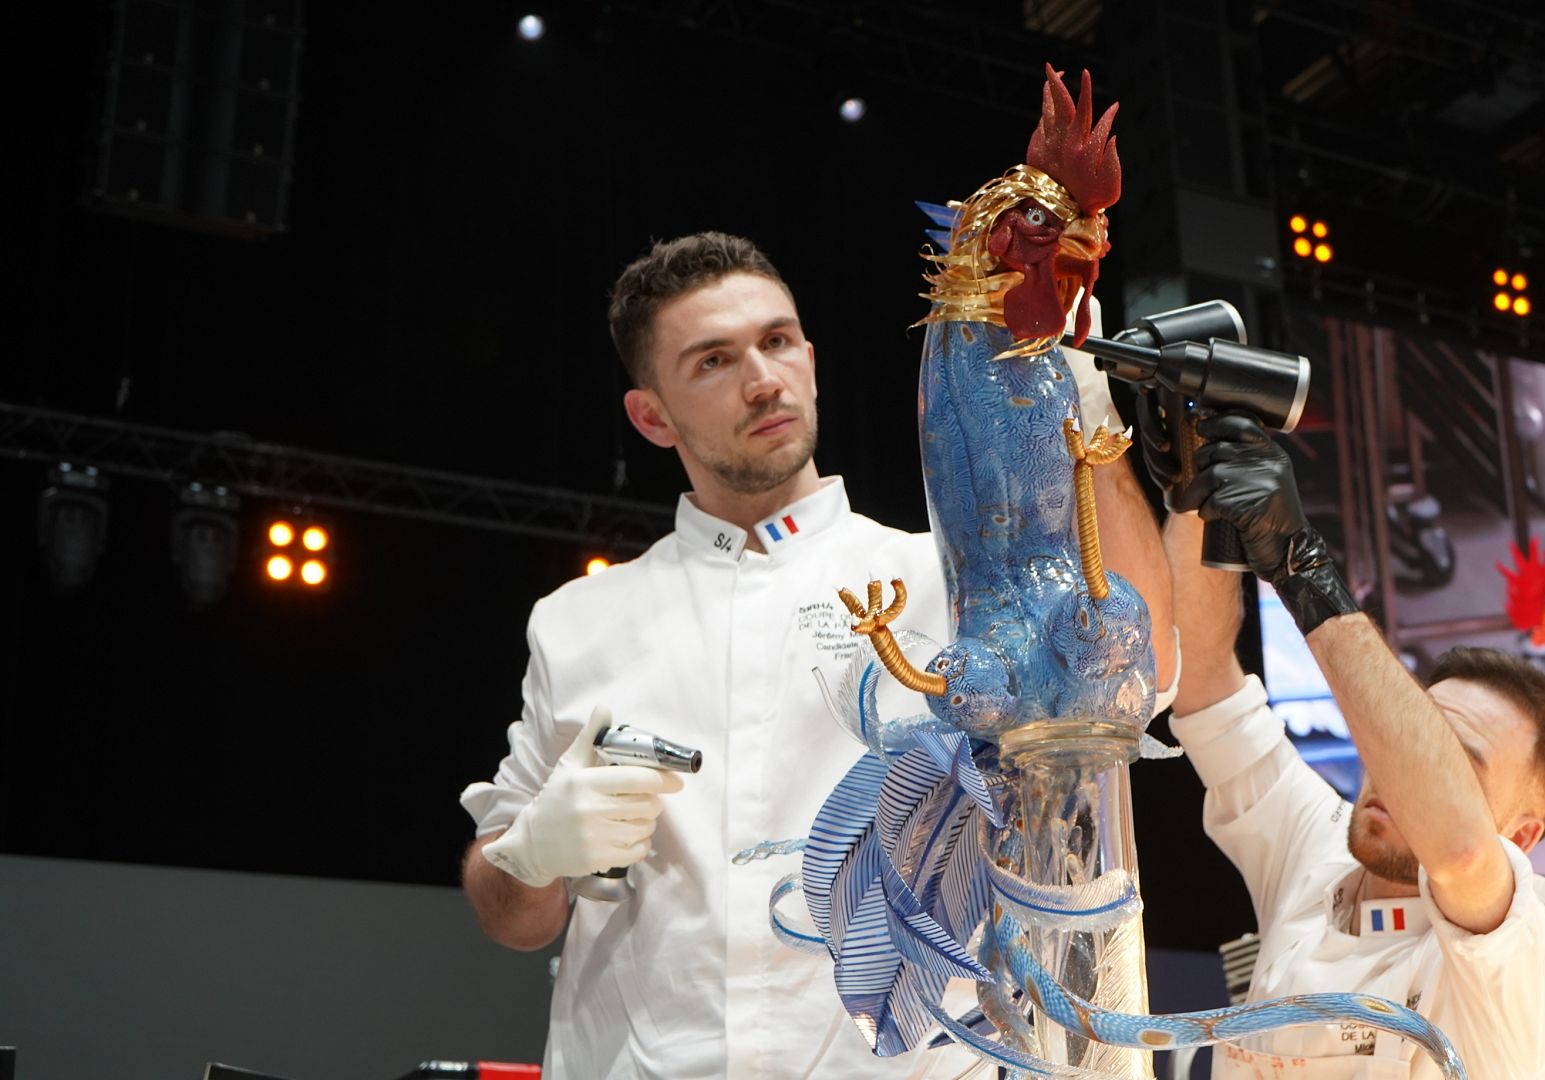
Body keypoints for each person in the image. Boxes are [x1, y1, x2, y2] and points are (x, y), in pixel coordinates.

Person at [457, 231, 1172, 1079]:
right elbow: (514, 918)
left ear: (811, 357)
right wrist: (528, 855)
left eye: (777, 341)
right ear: (651, 415)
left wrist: (1081, 396)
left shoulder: (939, 577)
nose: (763, 379)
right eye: (712, 361)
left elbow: (1142, 677)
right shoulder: (577, 622)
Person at [1146, 411, 1545, 1078]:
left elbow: (1463, 850)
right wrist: (1198, 488)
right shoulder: (1317, 848)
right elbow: (1210, 684)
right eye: (1409, 738)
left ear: (1524, 839)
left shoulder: (1544, 951)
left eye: (1453, 762)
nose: (1396, 772)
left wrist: (1302, 563)